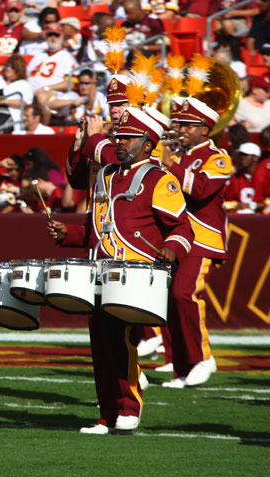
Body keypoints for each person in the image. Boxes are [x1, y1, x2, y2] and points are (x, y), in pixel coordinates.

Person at [48, 107, 194, 433]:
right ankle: (107, 415)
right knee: (101, 344)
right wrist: (68, 234)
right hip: (99, 271)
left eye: (128, 138)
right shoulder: (106, 177)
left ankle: (129, 407)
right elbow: (95, 230)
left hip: (134, 275)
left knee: (121, 340)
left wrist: (172, 249)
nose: (121, 143)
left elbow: (183, 229)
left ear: (148, 145)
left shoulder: (159, 180)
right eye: (119, 137)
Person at [160, 97, 232, 388]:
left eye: (189, 125)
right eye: (179, 124)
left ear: (205, 130)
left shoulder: (218, 157)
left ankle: (203, 358)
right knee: (170, 302)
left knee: (184, 294)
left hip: (202, 239)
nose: (181, 130)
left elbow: (201, 189)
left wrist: (169, 163)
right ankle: (183, 367)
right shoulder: (179, 155)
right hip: (175, 239)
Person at [0, 54, 34, 133]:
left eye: (12, 67)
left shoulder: (23, 84)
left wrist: (4, 101)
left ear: (18, 70)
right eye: (7, 65)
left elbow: (25, 102)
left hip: (8, 114)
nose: (8, 68)